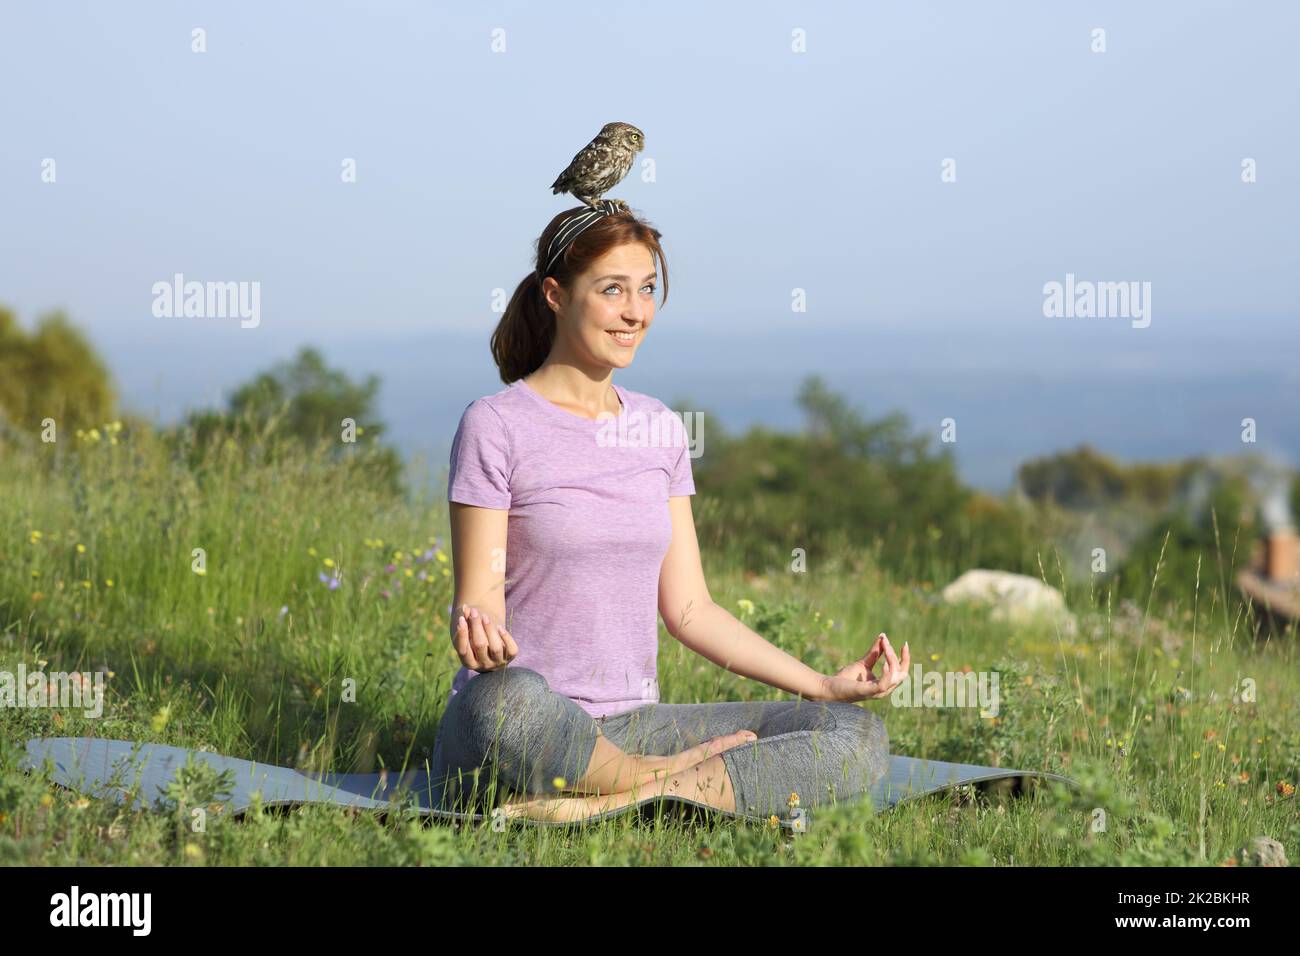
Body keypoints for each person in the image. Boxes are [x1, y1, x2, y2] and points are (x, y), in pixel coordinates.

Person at [429, 201, 910, 824]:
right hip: (525, 725)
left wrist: (821, 685)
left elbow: (690, 609)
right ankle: (669, 784)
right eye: (612, 290)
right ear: (555, 294)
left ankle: (618, 801)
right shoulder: (495, 425)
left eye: (647, 290)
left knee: (852, 733)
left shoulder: (658, 429)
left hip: (635, 726)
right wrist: (480, 631)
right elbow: (480, 595)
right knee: (504, 703)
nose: (635, 312)